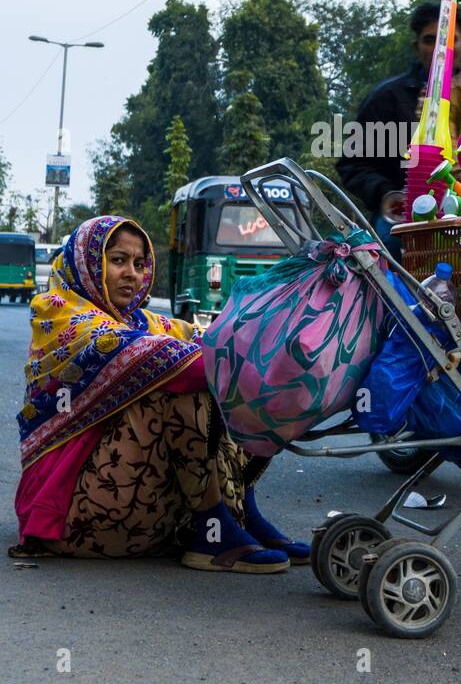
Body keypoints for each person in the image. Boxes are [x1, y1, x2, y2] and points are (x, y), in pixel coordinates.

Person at [12, 215, 309, 574]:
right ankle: (213, 535)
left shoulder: (139, 321)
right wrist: (244, 363)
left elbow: (208, 340)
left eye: (139, 264)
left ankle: (241, 516)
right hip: (74, 518)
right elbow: (178, 359)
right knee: (182, 378)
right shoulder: (63, 317)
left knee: (224, 379)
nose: (132, 274)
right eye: (118, 260)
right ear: (87, 264)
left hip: (123, 502)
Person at [337, 2, 461, 249]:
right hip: (402, 219)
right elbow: (352, 164)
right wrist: (387, 194)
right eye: (430, 40)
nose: (440, 49)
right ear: (417, 47)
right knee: (390, 251)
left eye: (450, 40)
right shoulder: (387, 98)